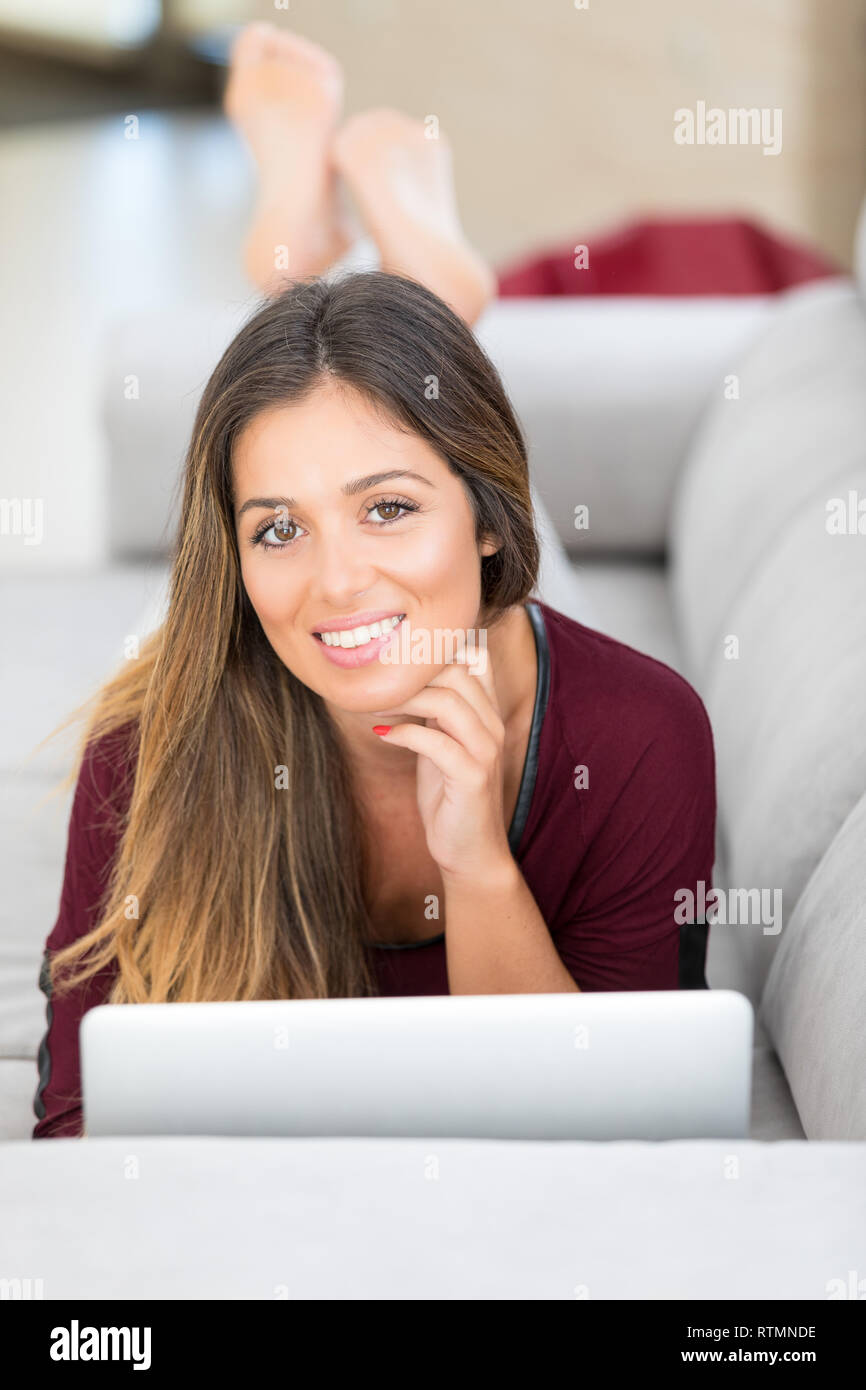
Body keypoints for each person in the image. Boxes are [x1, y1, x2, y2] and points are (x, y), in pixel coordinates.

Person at [32, 22, 716, 1140]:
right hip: (270, 661)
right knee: (300, 557)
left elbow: (619, 1153)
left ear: (488, 522)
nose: (334, 582)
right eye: (276, 530)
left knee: (418, 529)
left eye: (387, 509)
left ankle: (393, 284)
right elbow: (71, 1135)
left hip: (513, 638)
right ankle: (380, 283)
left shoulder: (639, 736)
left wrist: (479, 869)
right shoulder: (152, 742)